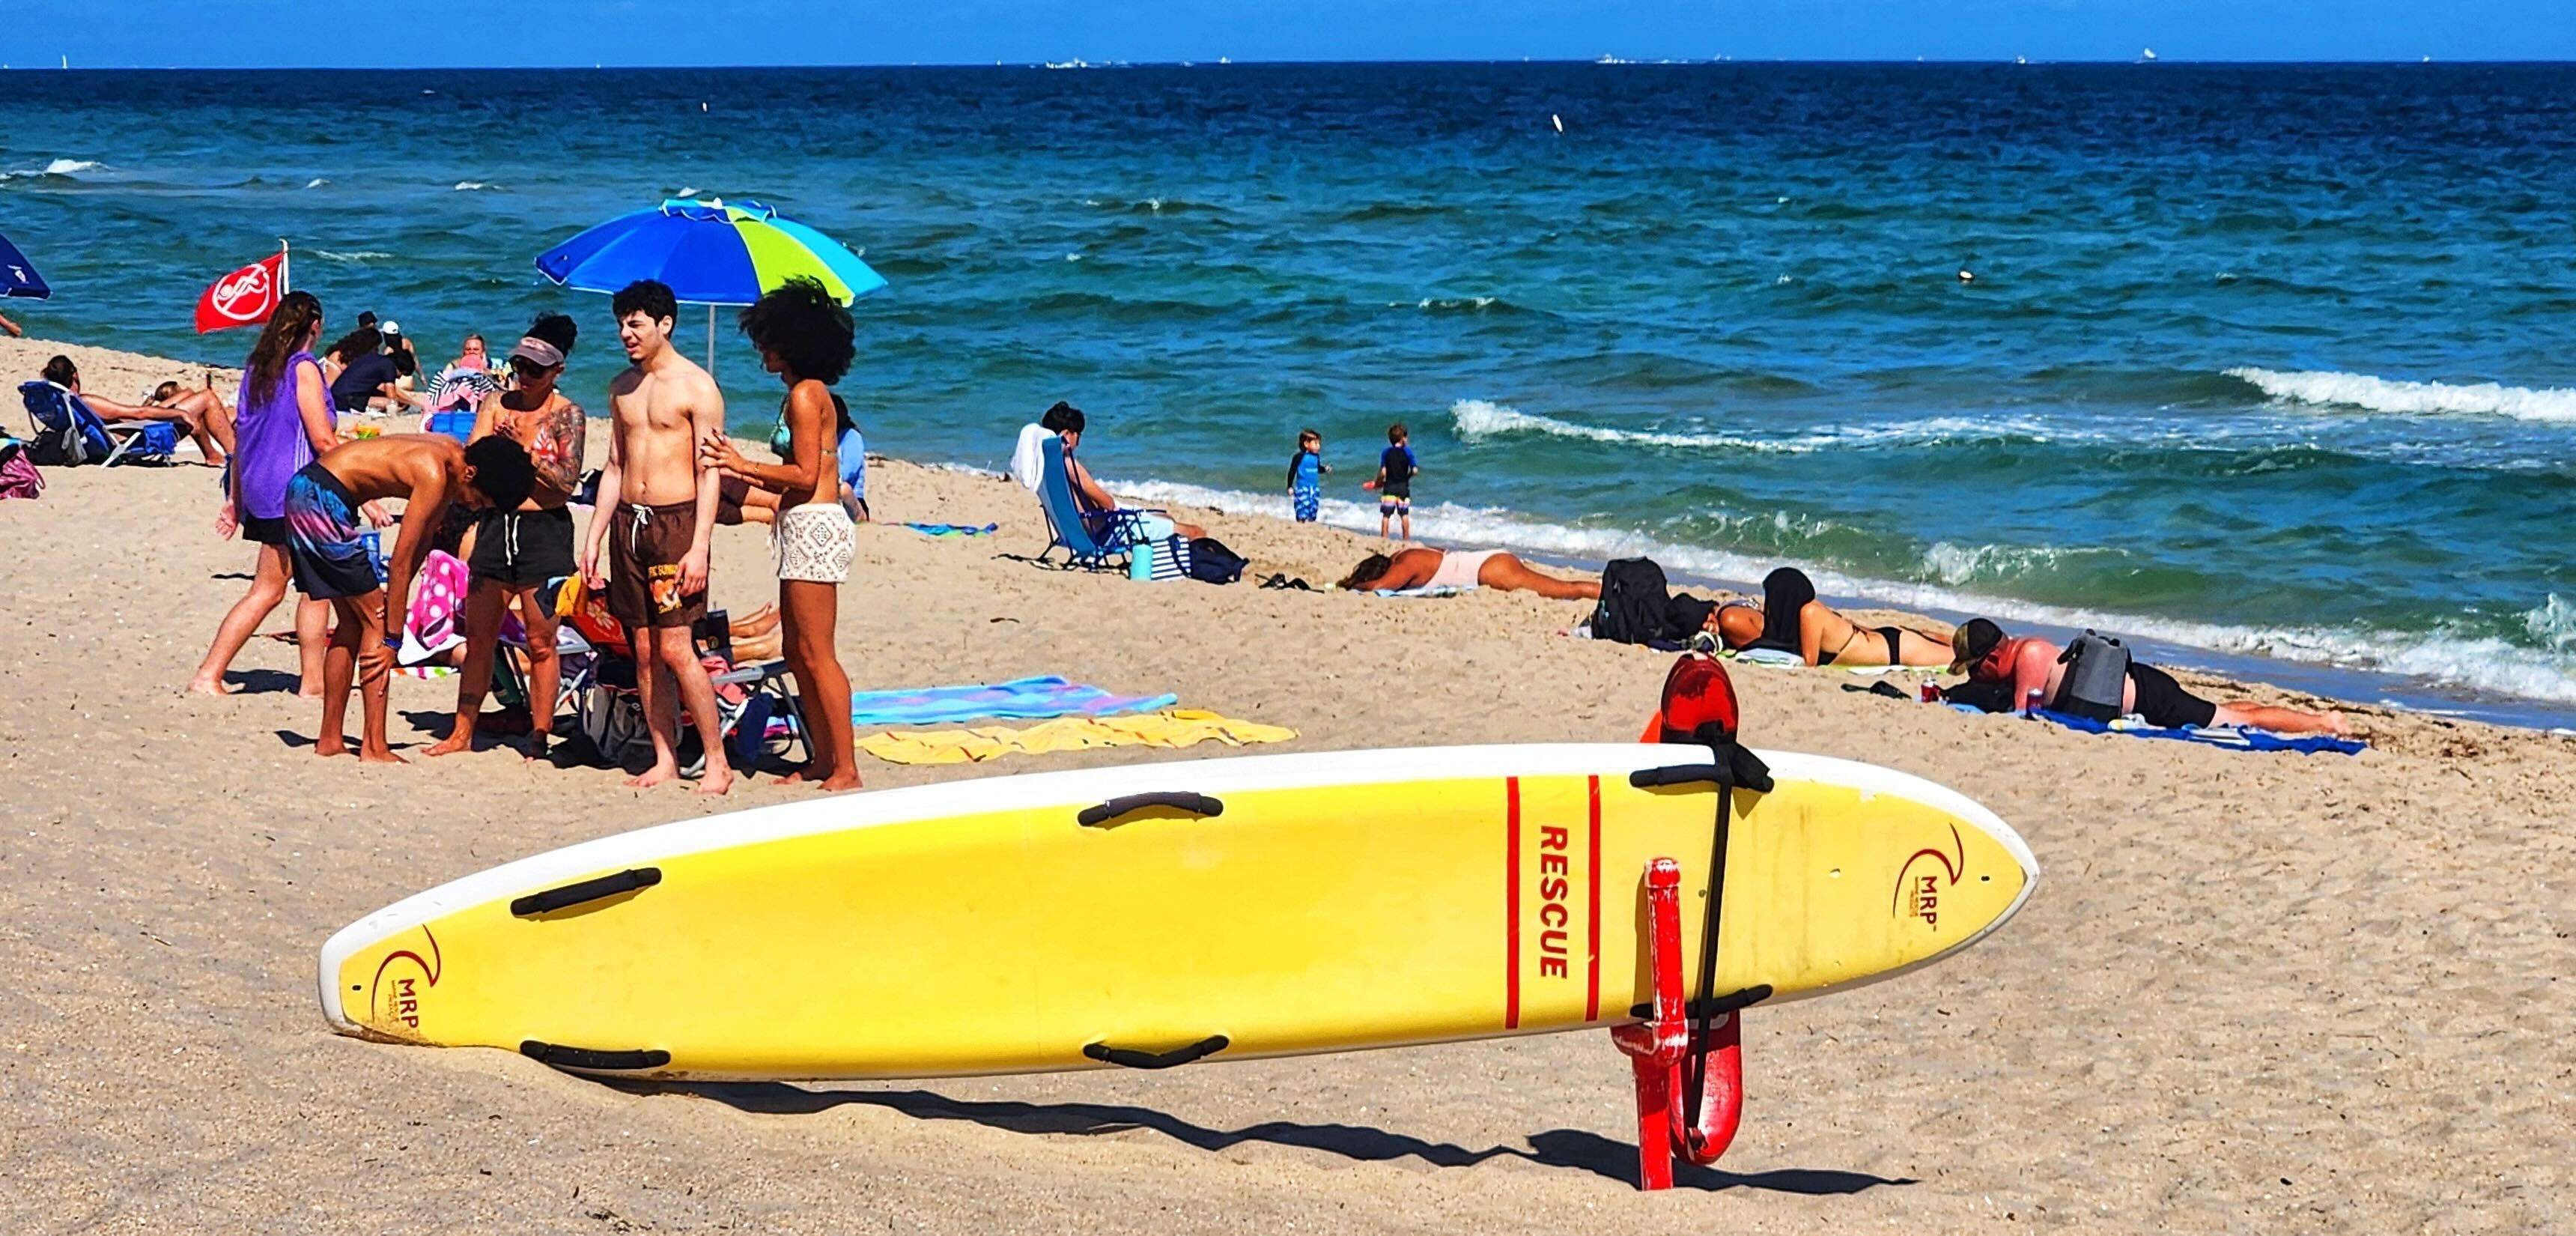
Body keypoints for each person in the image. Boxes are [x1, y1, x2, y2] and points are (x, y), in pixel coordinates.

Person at [702, 277, 863, 790]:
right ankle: (822, 756)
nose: (761, 351)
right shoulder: (803, 394)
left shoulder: (807, 395)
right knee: (796, 650)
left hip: (815, 524)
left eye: (767, 341)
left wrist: (740, 464)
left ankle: (846, 767)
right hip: (800, 525)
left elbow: (806, 475)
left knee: (818, 650)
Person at [285, 433, 535, 763]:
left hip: (311, 492)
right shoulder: (433, 473)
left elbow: (423, 540)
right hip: (320, 500)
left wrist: (396, 600)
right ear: (471, 475)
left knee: (352, 621)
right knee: (375, 622)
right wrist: (393, 638)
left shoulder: (451, 460)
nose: (473, 507)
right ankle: (374, 747)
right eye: (478, 500)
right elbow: (401, 561)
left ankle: (330, 739)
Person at [580, 279, 735, 794]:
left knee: (676, 648)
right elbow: (615, 465)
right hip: (629, 525)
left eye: (636, 324)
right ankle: (665, 757)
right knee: (642, 650)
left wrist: (700, 546)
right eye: (622, 324)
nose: (627, 333)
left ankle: (716, 760)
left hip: (675, 528)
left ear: (665, 324)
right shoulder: (621, 387)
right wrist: (594, 536)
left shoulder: (697, 387)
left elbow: (709, 471)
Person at [425, 315, 586, 761]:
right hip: (497, 527)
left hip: (543, 533)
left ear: (556, 371)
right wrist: (504, 456)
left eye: (536, 370)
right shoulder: (496, 403)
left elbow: (563, 483)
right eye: (519, 366)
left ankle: (539, 733)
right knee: (480, 637)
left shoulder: (566, 414)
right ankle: (462, 730)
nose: (525, 377)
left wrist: (521, 453)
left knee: (541, 641)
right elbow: (474, 463)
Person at [189, 291, 335, 697]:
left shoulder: (257, 370)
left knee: (289, 588)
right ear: (316, 326)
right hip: (296, 492)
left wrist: (236, 500)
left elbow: (243, 439)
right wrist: (368, 487)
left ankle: (310, 682)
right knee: (295, 589)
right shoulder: (304, 368)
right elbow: (322, 439)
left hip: (261, 489)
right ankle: (213, 674)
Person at [1949, 618, 2351, 736]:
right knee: (2228, 711)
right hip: (2137, 688)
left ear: (1992, 656)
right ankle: (2317, 720)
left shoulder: (2031, 653)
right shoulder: (2021, 655)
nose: (1978, 677)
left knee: (2239, 720)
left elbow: (2025, 717)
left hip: (2148, 695)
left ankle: (2323, 723)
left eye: (1975, 668)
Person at [1712, 566, 1951, 668]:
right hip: (1886, 640)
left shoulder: (1810, 612)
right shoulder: (1805, 614)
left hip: (1897, 650)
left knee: (1965, 655)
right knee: (1950, 646)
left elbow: (1809, 663)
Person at [1049, 405, 1206, 541]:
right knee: (1195, 531)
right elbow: (1108, 505)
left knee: (1167, 519)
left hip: (1087, 531)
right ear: (1066, 434)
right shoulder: (1070, 465)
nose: (1079, 440)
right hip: (1110, 532)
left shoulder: (1050, 465)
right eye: (1078, 434)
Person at [37, 355, 230, 465]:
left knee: (187, 394)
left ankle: (213, 455)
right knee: (206, 397)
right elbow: (138, 414)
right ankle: (234, 453)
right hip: (136, 437)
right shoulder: (86, 401)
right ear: (74, 375)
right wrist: (179, 413)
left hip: (120, 433)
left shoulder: (62, 404)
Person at [719, 392, 866, 525]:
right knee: (778, 484)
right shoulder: (814, 438)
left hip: (843, 494)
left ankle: (861, 517)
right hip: (816, 488)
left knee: (843, 489)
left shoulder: (850, 436)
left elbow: (846, 472)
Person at [1337, 547, 1600, 599]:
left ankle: (1612, 590)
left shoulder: (1405, 565)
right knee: (1563, 588)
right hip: (1489, 561)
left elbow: (1379, 588)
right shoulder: (1408, 554)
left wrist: (1354, 587)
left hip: (1490, 571)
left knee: (1566, 590)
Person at [1009, 399, 1082, 494]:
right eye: (1078, 436)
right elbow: (1107, 503)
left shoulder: (1041, 467)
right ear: (1066, 434)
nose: (1078, 443)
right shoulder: (1068, 465)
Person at [1362, 422, 1417, 542]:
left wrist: (1377, 483)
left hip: (1389, 487)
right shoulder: (1408, 452)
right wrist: (1407, 477)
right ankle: (1406, 539)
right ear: (1403, 439)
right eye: (1406, 437)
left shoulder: (1386, 453)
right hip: (1403, 488)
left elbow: (1383, 472)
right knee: (1404, 515)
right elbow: (1415, 470)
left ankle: (1384, 538)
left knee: (1386, 515)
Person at [1286, 428, 1329, 522]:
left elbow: (1317, 468)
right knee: (1302, 509)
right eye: (1316, 443)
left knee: (1313, 510)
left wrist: (1325, 469)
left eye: (1319, 443)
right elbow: (1292, 471)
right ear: (1306, 444)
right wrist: (1290, 486)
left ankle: (1310, 522)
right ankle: (1301, 522)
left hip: (1314, 489)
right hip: (1302, 489)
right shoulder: (1299, 457)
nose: (1319, 446)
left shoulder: (1316, 457)